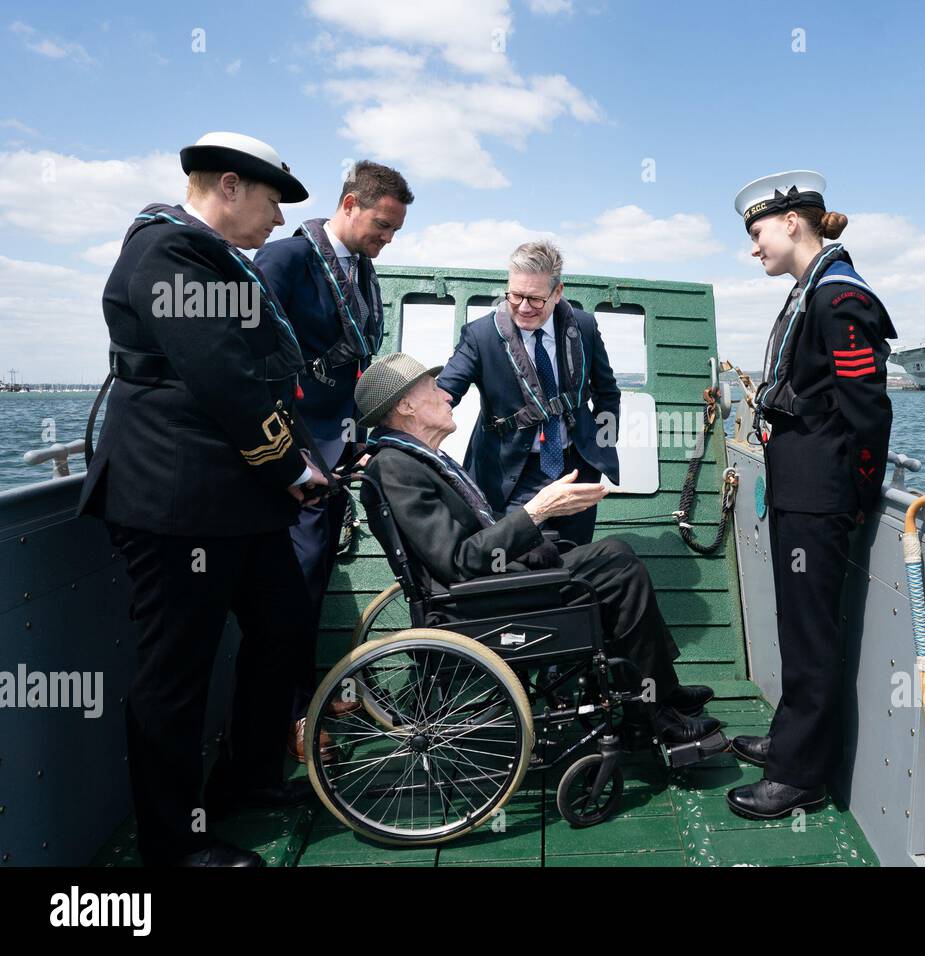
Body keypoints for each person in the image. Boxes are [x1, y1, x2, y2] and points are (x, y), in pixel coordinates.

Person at [77, 132, 330, 866]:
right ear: (227, 185)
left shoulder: (215, 260)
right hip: (176, 498)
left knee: (283, 626)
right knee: (175, 676)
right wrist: (292, 466)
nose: (279, 221)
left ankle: (245, 778)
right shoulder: (166, 252)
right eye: (273, 201)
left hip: (235, 499)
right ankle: (171, 843)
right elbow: (221, 376)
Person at [355, 352, 717, 741]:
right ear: (406, 406)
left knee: (617, 553)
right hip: (472, 602)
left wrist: (537, 533)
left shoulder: (419, 460)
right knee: (620, 569)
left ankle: (657, 690)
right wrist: (537, 510)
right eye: (433, 388)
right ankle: (652, 710)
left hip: (485, 586)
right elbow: (458, 561)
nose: (446, 396)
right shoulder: (395, 466)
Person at [725, 171, 896, 820]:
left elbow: (867, 410)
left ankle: (801, 777)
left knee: (812, 638)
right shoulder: (811, 291)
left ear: (793, 222)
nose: (754, 247)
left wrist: (856, 495)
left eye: (758, 231)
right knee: (796, 632)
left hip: (821, 496)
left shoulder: (839, 296)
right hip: (799, 488)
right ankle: (788, 742)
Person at [256, 160, 414, 762]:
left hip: (334, 457)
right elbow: (254, 357)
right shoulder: (288, 260)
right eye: (381, 224)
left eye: (396, 230)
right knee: (291, 590)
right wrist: (290, 451)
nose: (387, 238)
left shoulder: (364, 269)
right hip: (291, 461)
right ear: (349, 203)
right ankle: (290, 718)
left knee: (313, 582)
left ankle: (309, 696)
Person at [436, 240, 620, 545]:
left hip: (575, 467)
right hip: (509, 475)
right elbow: (444, 391)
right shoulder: (480, 335)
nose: (523, 307)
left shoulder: (585, 327)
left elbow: (607, 392)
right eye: (516, 295)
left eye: (535, 299)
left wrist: (601, 445)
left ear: (558, 292)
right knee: (516, 561)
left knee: (573, 558)